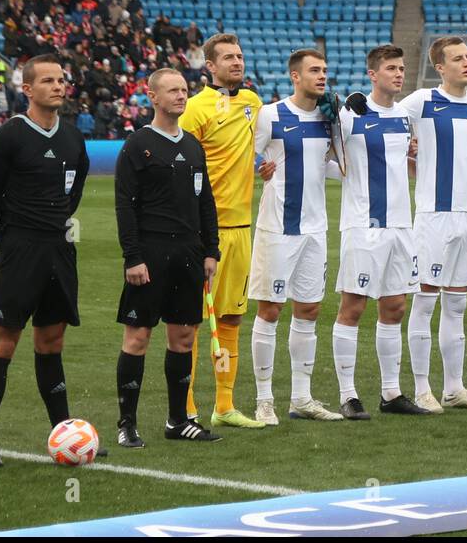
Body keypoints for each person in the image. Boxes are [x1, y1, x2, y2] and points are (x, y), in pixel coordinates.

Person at [0, 54, 89, 467]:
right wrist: (8, 238)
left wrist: (54, 225)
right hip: (20, 250)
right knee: (4, 342)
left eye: (62, 80)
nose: (59, 86)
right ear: (27, 89)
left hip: (60, 249)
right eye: (49, 81)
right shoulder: (8, 138)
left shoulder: (74, 137)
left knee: (51, 342)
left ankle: (65, 435)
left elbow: (75, 192)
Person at [113, 68, 221, 445]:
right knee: (138, 337)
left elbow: (205, 201)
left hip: (189, 254)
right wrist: (133, 257)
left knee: (184, 337)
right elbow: (124, 205)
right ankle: (127, 423)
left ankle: (177, 421)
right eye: (172, 90)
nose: (180, 96)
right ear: (153, 97)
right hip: (150, 254)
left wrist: (211, 250)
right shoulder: (137, 144)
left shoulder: (192, 145)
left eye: (184, 90)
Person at [396, 37, 467, 412]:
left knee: (456, 304)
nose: (466, 63)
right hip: (435, 215)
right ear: (440, 67)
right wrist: (407, 148)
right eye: (457, 59)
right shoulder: (421, 101)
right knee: (424, 302)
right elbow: (387, 117)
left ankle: (454, 387)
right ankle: (423, 388)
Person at [247, 50, 344, 424]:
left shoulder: (327, 117)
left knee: (310, 309)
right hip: (278, 229)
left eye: (324, 70)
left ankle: (301, 398)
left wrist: (339, 132)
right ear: (294, 76)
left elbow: (337, 168)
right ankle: (264, 399)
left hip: (315, 230)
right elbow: (250, 157)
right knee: (270, 310)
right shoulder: (271, 115)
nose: (322, 76)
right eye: (314, 71)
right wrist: (262, 169)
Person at [332, 45, 428, 418]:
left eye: (402, 68)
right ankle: (348, 394)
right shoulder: (353, 113)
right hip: (364, 227)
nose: (398, 74)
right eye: (390, 68)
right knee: (353, 307)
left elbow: (405, 162)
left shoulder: (405, 116)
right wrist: (338, 112)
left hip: (401, 226)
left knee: (395, 306)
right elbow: (331, 154)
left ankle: (391, 393)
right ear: (373, 74)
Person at [178, 34, 265, 430]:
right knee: (191, 321)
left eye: (240, 56)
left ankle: (225, 406)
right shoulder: (193, 110)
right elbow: (178, 169)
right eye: (228, 57)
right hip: (201, 234)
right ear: (209, 65)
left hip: (241, 228)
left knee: (230, 318)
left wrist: (264, 165)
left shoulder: (252, 103)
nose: (237, 62)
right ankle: (188, 406)